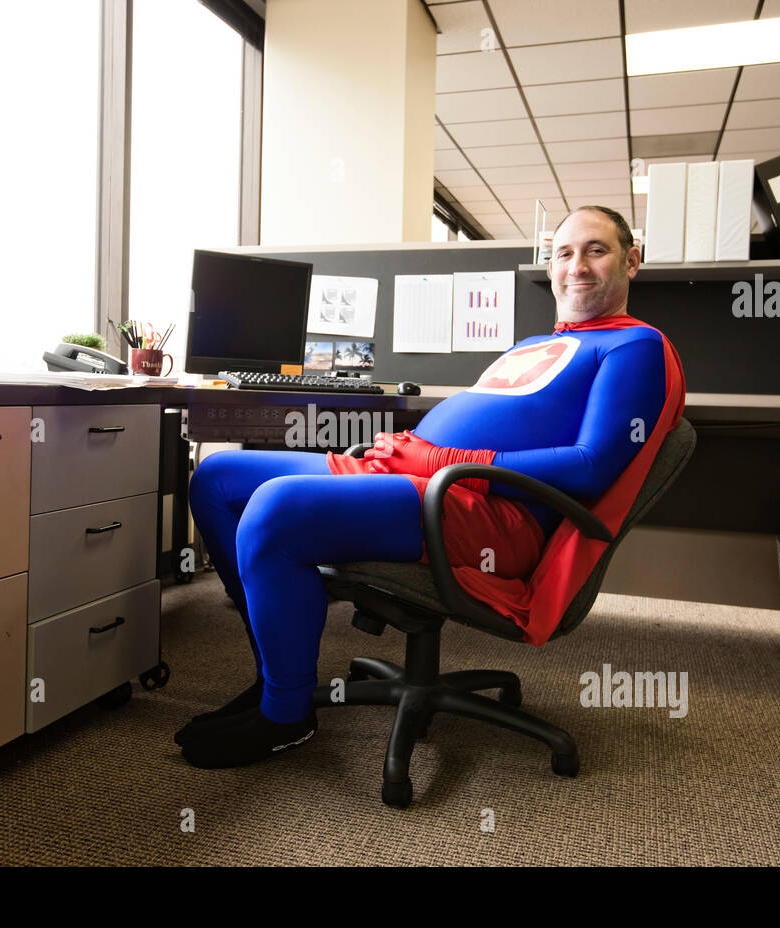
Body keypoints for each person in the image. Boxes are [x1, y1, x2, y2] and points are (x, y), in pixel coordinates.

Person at [176, 205, 685, 769]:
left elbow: (591, 466)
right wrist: (403, 449)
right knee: (217, 479)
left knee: (274, 508)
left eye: (597, 250)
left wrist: (441, 455)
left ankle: (286, 715)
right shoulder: (539, 343)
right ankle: (274, 668)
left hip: (487, 512)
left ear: (631, 261)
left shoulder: (634, 346)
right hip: (416, 473)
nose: (577, 266)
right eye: (564, 252)